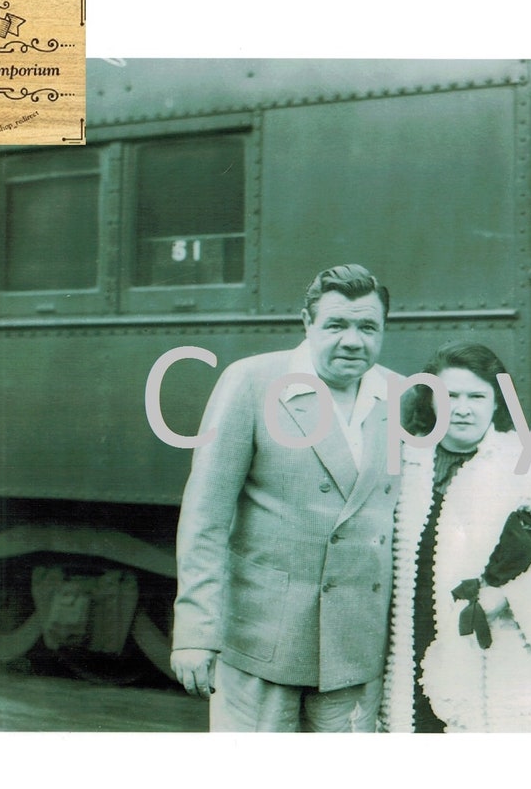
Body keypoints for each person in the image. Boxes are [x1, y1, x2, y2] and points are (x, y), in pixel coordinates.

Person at [171, 264, 400, 732]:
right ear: (306, 323)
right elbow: (205, 517)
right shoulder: (253, 382)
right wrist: (196, 633)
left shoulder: (397, 395)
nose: (354, 340)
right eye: (336, 324)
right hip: (264, 641)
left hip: (355, 652)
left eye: (368, 326)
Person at [379, 341, 531, 732]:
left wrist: (509, 598)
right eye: (449, 396)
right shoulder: (405, 459)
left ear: (497, 402)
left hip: (493, 642)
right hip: (413, 637)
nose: (462, 408)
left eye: (477, 396)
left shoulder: (527, 459)